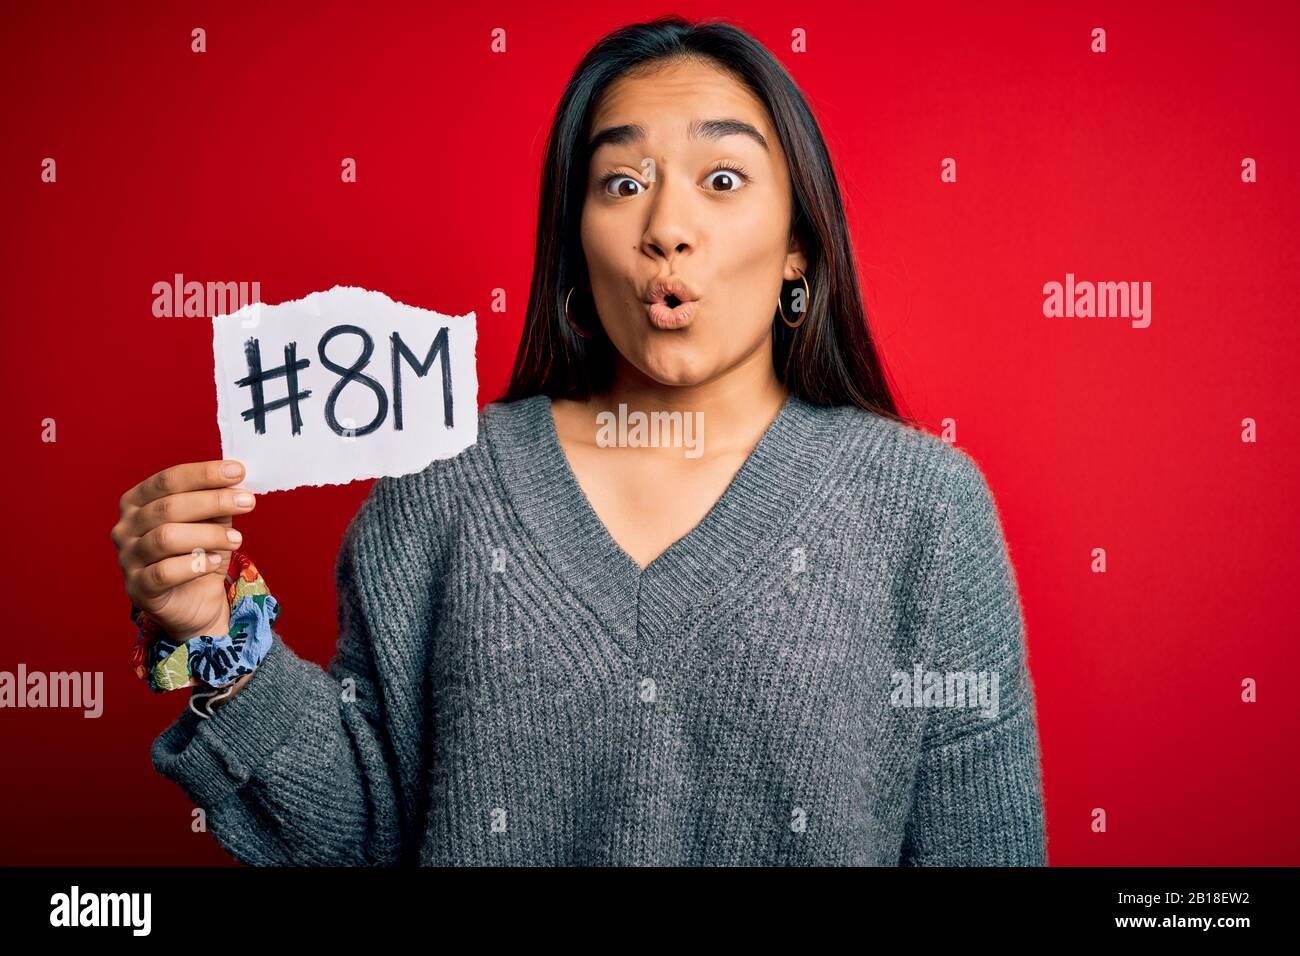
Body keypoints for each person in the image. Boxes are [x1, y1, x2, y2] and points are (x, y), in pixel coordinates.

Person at [111, 15, 1047, 865]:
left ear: (799, 244)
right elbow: (367, 838)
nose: (666, 229)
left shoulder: (926, 508)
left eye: (722, 180)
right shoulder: (441, 489)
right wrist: (210, 636)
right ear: (576, 243)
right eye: (622, 183)